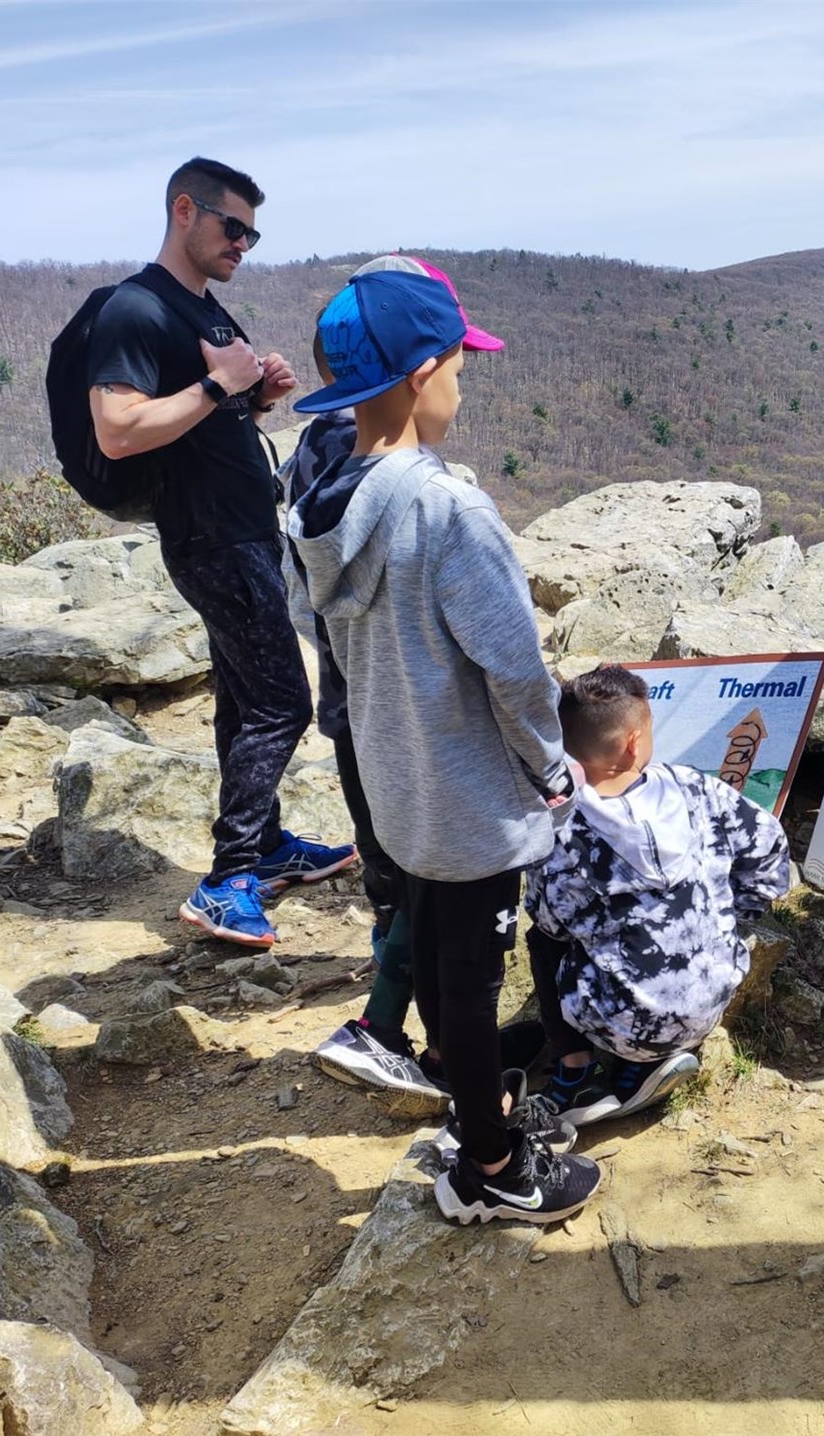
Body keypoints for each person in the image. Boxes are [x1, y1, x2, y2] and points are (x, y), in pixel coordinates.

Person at [286, 266, 600, 1227]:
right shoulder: (449, 512)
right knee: (470, 982)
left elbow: (314, 622)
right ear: (425, 371)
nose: (465, 381)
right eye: (461, 363)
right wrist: (553, 766)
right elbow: (512, 668)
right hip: (470, 797)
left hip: (396, 781)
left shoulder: (318, 503)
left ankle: (478, 1119)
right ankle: (494, 1169)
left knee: (433, 963)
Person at [87, 156, 354, 949]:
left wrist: (253, 392)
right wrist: (215, 388)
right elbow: (119, 427)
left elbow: (211, 416)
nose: (245, 243)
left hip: (242, 529)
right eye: (232, 226)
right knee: (282, 703)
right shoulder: (136, 310)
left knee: (243, 699)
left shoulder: (203, 311)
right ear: (184, 212)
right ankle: (229, 876)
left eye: (253, 231)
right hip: (209, 536)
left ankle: (265, 845)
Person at [293, 255, 503, 1105]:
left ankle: (403, 1033)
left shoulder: (314, 468)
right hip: (424, 724)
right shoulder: (424, 492)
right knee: (440, 900)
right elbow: (495, 650)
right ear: (418, 372)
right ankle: (452, 1082)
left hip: (359, 715)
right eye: (455, 363)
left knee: (401, 880)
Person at [523, 665, 792, 1124]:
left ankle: (576, 1068)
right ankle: (640, 1069)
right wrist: (734, 913)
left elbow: (552, 921)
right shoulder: (697, 789)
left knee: (541, 940)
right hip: (712, 997)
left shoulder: (565, 828)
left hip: (623, 1025)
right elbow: (770, 849)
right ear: (634, 743)